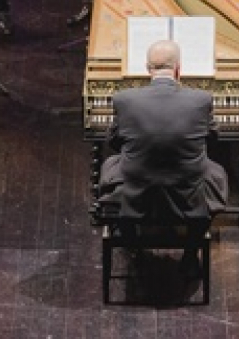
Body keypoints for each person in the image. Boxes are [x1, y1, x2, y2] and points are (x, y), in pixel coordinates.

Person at [98, 39, 229, 271]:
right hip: (187, 187)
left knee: (110, 164)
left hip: (137, 187)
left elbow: (114, 141)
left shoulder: (124, 100)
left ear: (148, 69)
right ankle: (190, 254)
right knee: (215, 172)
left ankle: (134, 247)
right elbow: (213, 139)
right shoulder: (200, 100)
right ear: (179, 69)